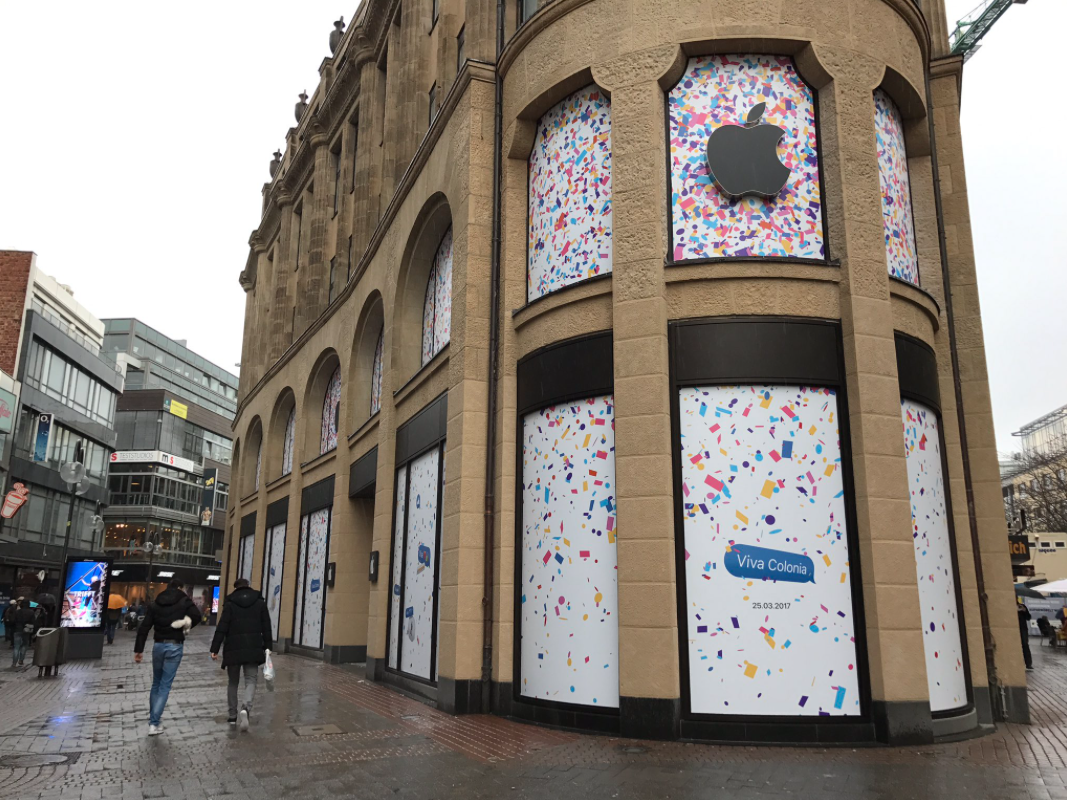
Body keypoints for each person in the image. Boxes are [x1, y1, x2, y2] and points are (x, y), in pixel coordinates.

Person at [134, 578, 201, 736]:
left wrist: (139, 650)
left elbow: (144, 627)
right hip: (175, 645)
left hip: (158, 645)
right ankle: (154, 723)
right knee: (165, 686)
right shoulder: (184, 600)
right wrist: (186, 624)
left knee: (156, 683)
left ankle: (154, 721)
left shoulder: (156, 602)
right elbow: (196, 616)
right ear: (180, 587)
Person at [210, 578, 272, 732]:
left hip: (233, 648)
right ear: (248, 586)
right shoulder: (259, 603)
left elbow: (222, 627)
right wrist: (268, 647)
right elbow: (266, 626)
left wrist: (214, 648)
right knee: (251, 679)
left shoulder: (230, 604)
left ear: (235, 588)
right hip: (253, 647)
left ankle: (232, 716)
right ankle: (246, 707)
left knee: (233, 682)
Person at [11, 599, 36, 667]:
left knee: (16, 647)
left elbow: (13, 621)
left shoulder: (17, 612)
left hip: (17, 630)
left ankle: (14, 663)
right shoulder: (31, 612)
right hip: (26, 630)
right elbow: (33, 622)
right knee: (24, 645)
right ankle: (21, 660)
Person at [1018, 598, 1033, 671]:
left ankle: (1028, 664)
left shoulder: (1022, 606)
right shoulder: (1010, 607)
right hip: (1015, 628)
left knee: (1025, 645)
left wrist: (1025, 611)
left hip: (1023, 629)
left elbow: (1028, 617)